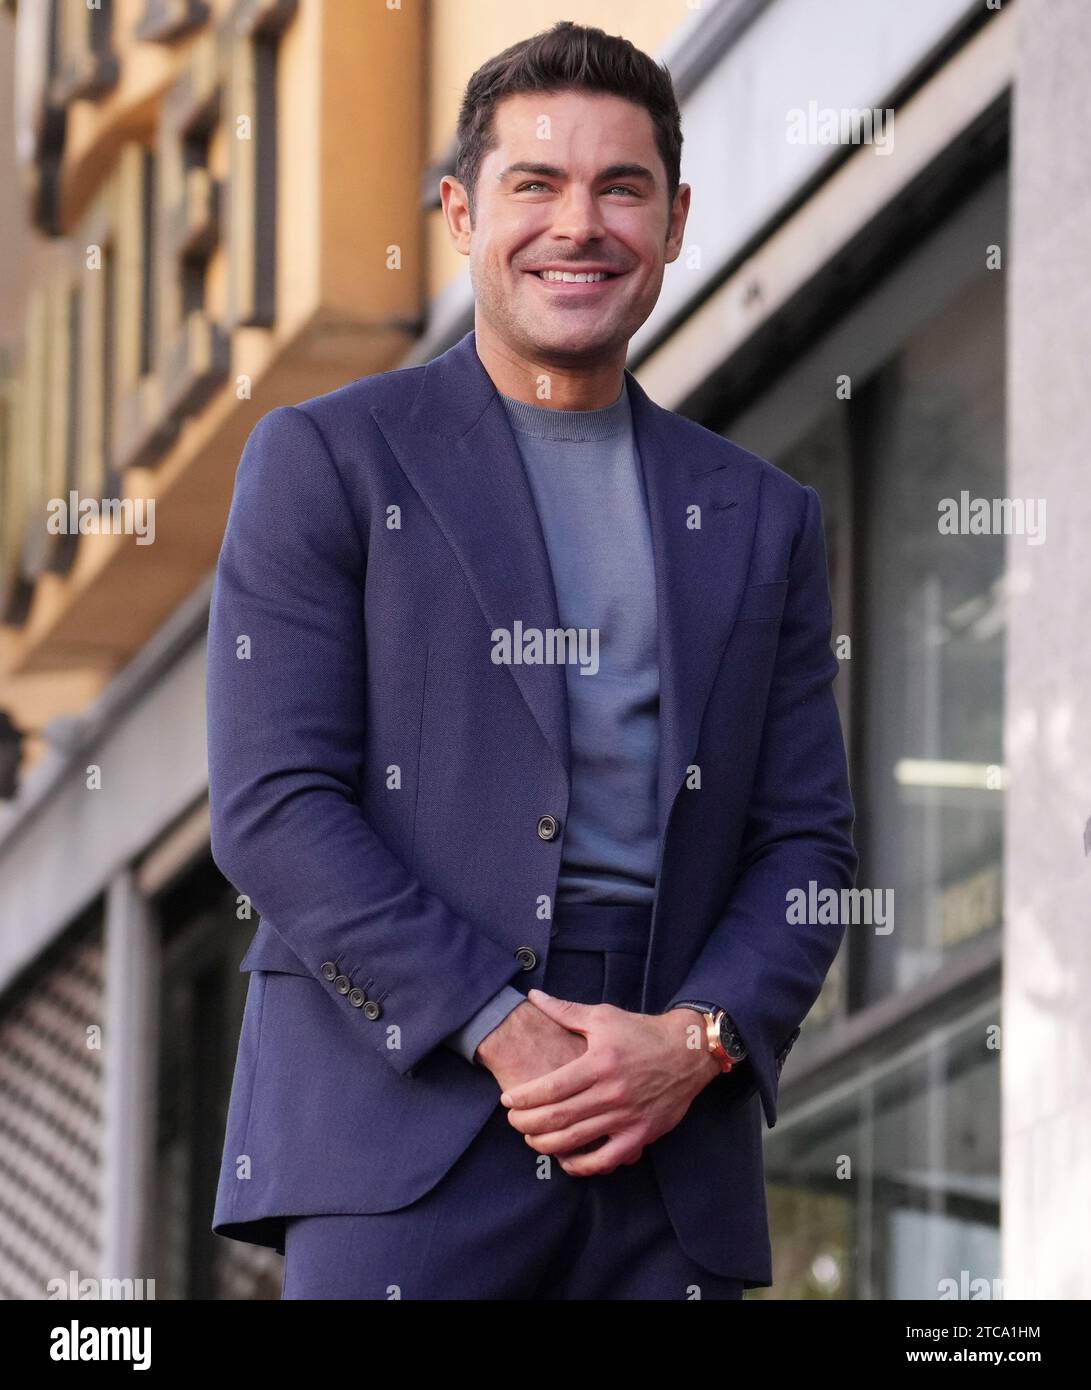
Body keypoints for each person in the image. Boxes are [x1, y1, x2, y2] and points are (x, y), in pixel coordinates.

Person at [207, 20, 857, 1300]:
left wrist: (698, 1040)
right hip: (402, 1116)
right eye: (535, 184)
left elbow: (809, 850)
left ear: (673, 224)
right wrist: (493, 1022)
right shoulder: (325, 460)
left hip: (670, 1142)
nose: (581, 224)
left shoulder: (759, 514)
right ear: (457, 211)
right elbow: (271, 807)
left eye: (621, 188)